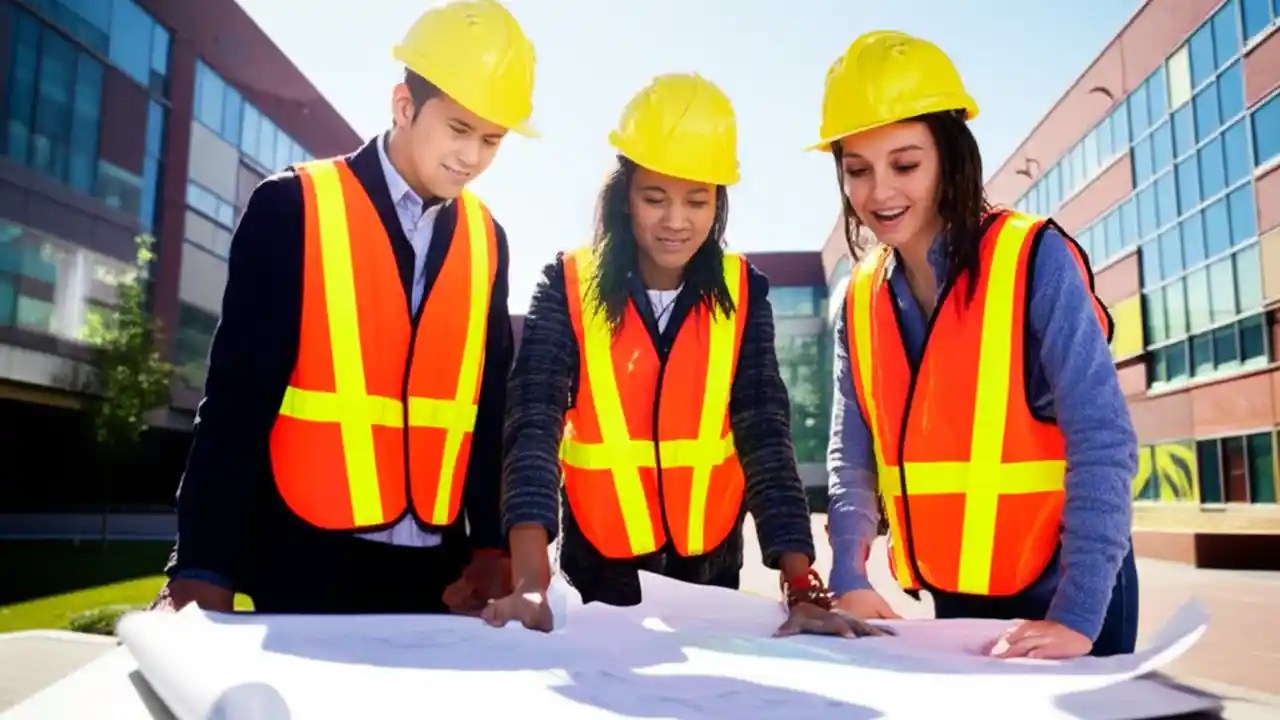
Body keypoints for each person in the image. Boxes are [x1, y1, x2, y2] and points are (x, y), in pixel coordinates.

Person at [150, 0, 536, 616]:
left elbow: (489, 411)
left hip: (436, 576)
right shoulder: (294, 207)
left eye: (492, 140)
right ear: (404, 106)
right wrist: (201, 564)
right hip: (304, 564)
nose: (473, 157)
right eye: (460, 129)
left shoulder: (488, 240)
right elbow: (235, 403)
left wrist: (489, 544)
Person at [483, 72, 887, 640]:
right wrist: (530, 581)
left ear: (717, 201)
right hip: (600, 574)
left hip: (710, 574)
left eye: (697, 201)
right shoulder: (568, 284)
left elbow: (765, 439)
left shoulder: (744, 291)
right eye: (655, 198)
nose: (676, 221)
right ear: (624, 196)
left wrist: (802, 585)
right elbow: (532, 427)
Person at [817, 31, 1139, 659]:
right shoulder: (859, 298)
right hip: (956, 597)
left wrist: (1078, 616)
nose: (879, 192)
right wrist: (849, 576)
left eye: (905, 164)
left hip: (1068, 593)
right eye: (857, 170)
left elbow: (1104, 439)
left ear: (950, 159)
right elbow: (849, 456)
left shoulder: (1033, 260)